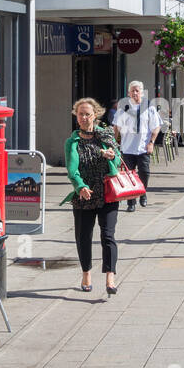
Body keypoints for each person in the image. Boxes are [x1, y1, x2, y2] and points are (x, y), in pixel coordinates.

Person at [62, 98, 122, 295]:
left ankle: (110, 277)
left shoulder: (105, 135)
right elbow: (72, 169)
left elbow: (119, 158)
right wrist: (79, 186)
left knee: (108, 235)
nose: (84, 117)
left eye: (88, 114)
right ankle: (86, 273)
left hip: (107, 192)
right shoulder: (72, 142)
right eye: (81, 114)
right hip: (84, 195)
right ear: (76, 116)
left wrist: (112, 156)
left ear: (95, 115)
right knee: (83, 236)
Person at [111, 79, 161, 210]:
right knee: (129, 175)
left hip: (143, 147)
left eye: (137, 91)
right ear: (128, 93)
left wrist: (151, 142)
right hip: (127, 148)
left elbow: (156, 127)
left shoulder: (149, 107)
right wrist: (113, 144)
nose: (134, 93)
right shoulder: (123, 109)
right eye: (132, 91)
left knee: (144, 172)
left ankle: (143, 193)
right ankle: (131, 202)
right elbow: (116, 127)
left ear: (142, 93)